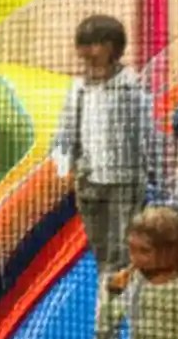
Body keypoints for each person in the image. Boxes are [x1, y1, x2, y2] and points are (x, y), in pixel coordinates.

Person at [52, 14, 160, 276]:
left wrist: (155, 174)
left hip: (125, 182)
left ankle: (117, 292)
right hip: (90, 183)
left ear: (112, 48)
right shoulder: (79, 89)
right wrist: (65, 166)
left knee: (123, 249)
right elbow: (66, 131)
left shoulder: (131, 88)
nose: (86, 52)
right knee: (101, 249)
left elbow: (148, 133)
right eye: (83, 45)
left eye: (94, 45)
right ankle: (109, 286)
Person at [89, 206, 178, 339]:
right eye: (131, 250)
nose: (135, 258)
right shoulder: (130, 281)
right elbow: (109, 315)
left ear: (170, 252)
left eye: (144, 251)